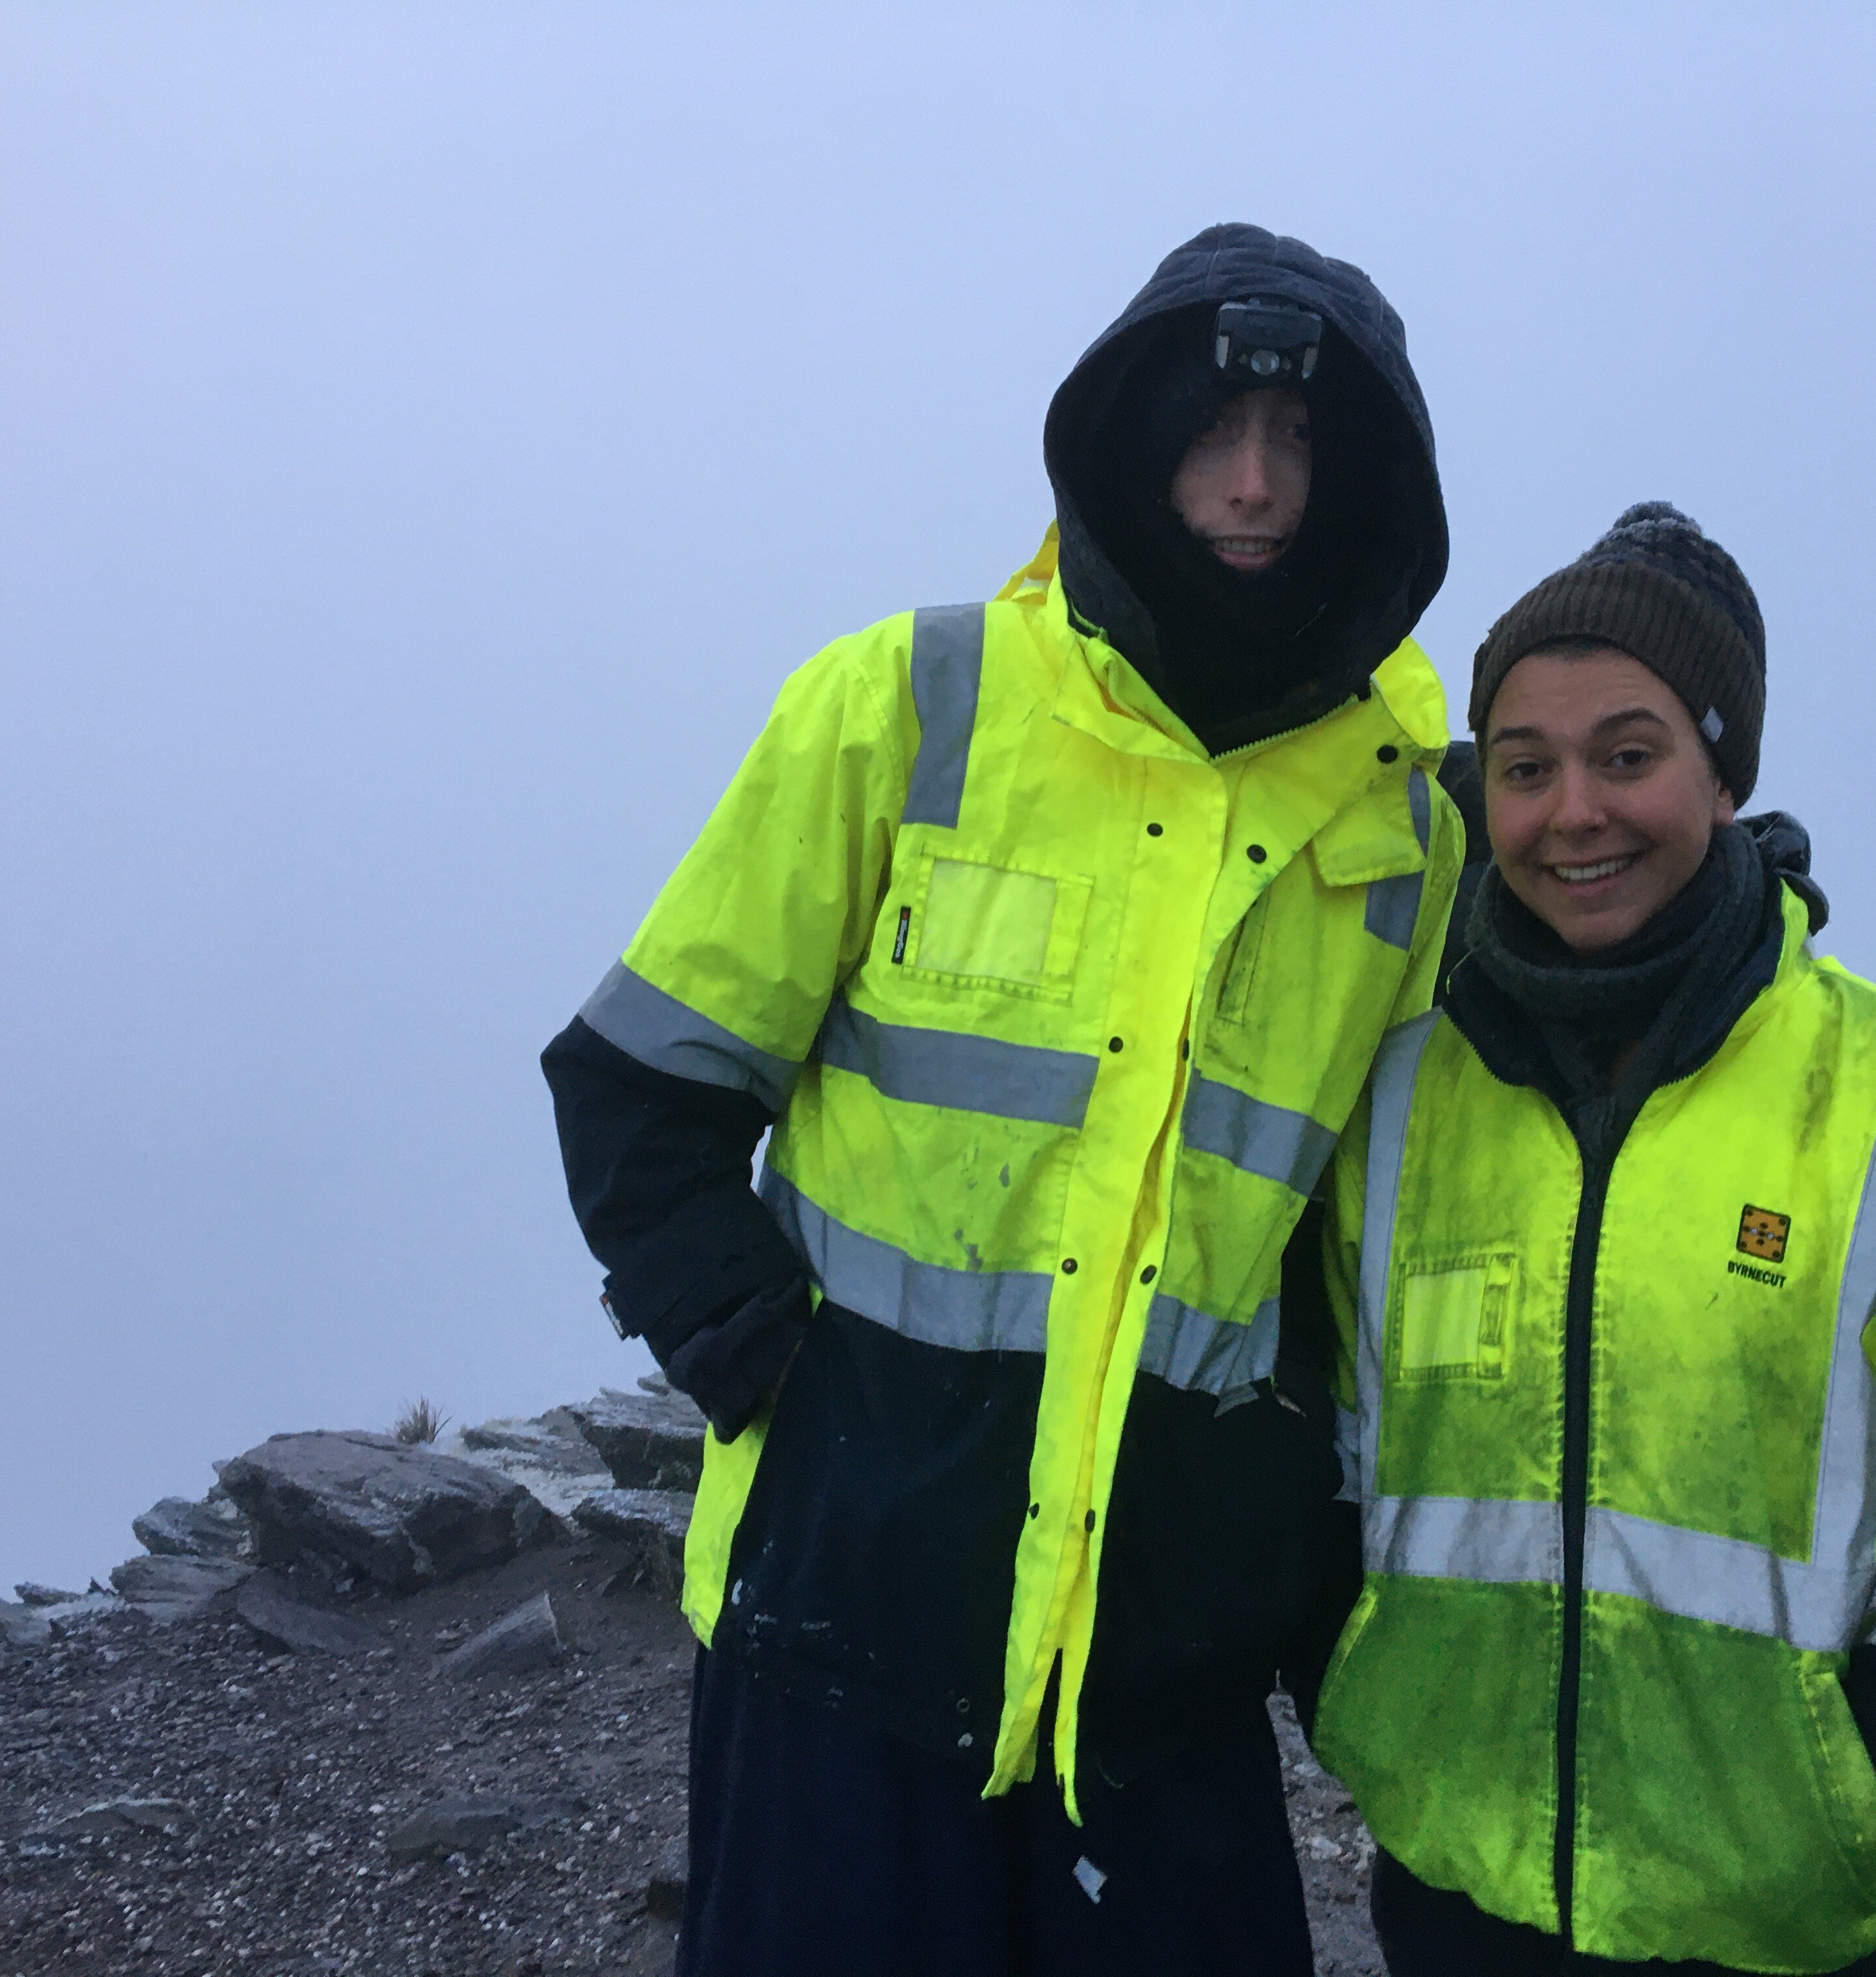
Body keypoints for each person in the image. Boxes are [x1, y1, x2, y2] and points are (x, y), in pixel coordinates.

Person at [540, 222, 1460, 1976]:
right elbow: (638, 1082)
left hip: (1168, 1687)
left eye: (1304, 445)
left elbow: (1382, 1239)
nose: (1256, 486)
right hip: (837, 1636)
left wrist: (1280, 1533)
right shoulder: (905, 701)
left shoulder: (1410, 825)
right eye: (1214, 433)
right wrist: (772, 1381)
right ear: (1132, 438)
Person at [1307, 504, 1876, 1974]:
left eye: (1627, 757)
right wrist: (1344, 1671)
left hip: (1808, 1927)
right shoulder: (1394, 1109)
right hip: (1456, 1902)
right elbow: (1335, 1448)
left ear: (1724, 771)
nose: (1572, 811)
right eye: (1525, 769)